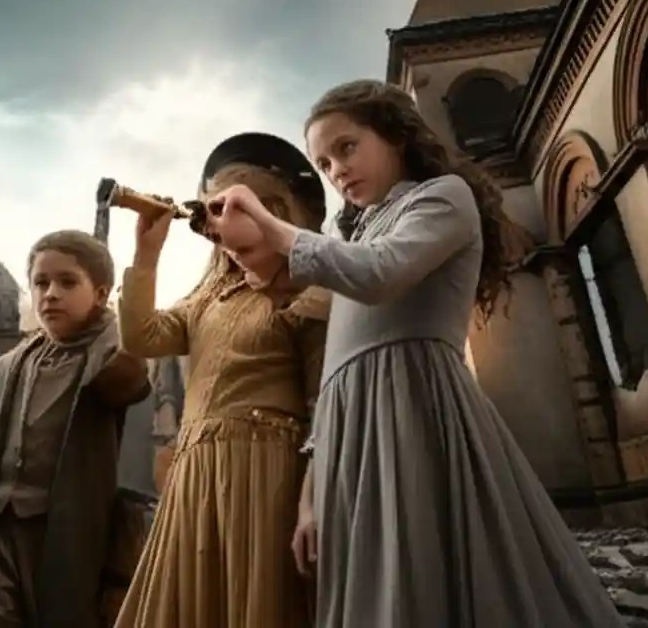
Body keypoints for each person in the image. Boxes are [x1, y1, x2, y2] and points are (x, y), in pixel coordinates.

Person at [210, 80, 626, 627]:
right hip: (349, 436)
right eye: (324, 162)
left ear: (396, 137)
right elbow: (334, 374)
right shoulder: (353, 236)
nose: (337, 170)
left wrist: (267, 220)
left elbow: (380, 274)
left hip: (414, 412)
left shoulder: (442, 197)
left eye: (347, 147)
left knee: (434, 579)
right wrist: (312, 495)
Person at [114, 133, 330, 628]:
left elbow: (326, 404)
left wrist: (311, 497)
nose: (217, 227)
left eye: (230, 208)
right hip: (194, 475)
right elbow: (142, 336)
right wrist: (146, 256)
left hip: (265, 473)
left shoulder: (309, 292)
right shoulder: (210, 296)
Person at [0, 229, 151, 628]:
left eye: (68, 282)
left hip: (65, 541)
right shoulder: (9, 368)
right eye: (41, 282)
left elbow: (134, 376)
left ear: (102, 294)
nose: (51, 293)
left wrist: (113, 316)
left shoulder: (107, 361)